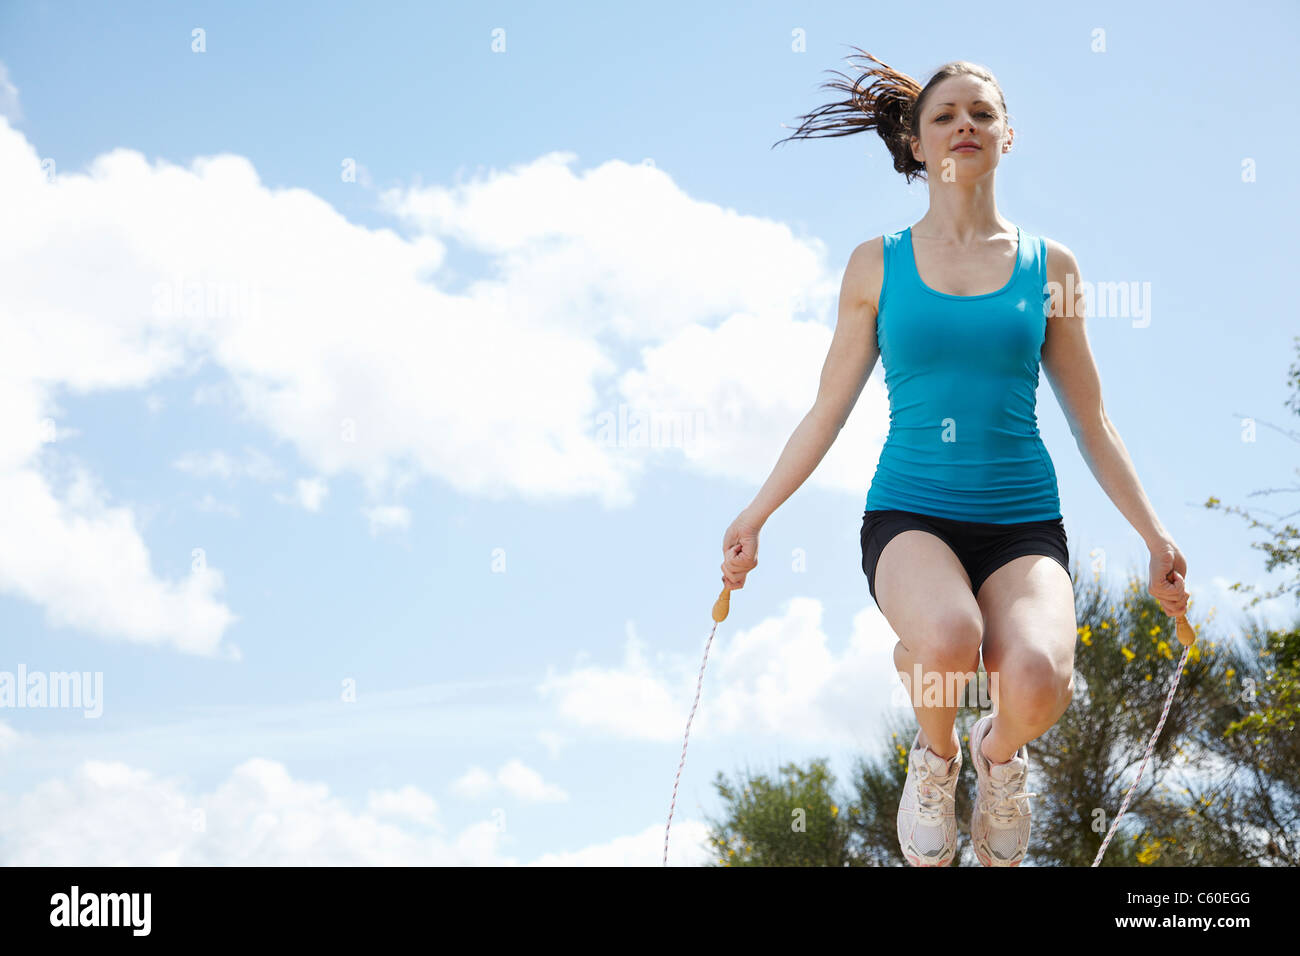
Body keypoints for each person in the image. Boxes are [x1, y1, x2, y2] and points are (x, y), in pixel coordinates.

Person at [719, 51, 1189, 867]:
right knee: (948, 642)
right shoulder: (878, 263)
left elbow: (1093, 418)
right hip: (911, 515)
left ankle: (996, 759)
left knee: (1038, 678)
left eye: (981, 112)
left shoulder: (1054, 268)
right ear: (916, 141)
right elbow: (827, 409)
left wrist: (1154, 537)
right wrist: (756, 516)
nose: (964, 125)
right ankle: (934, 765)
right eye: (945, 115)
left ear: (1009, 134)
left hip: (1022, 524)